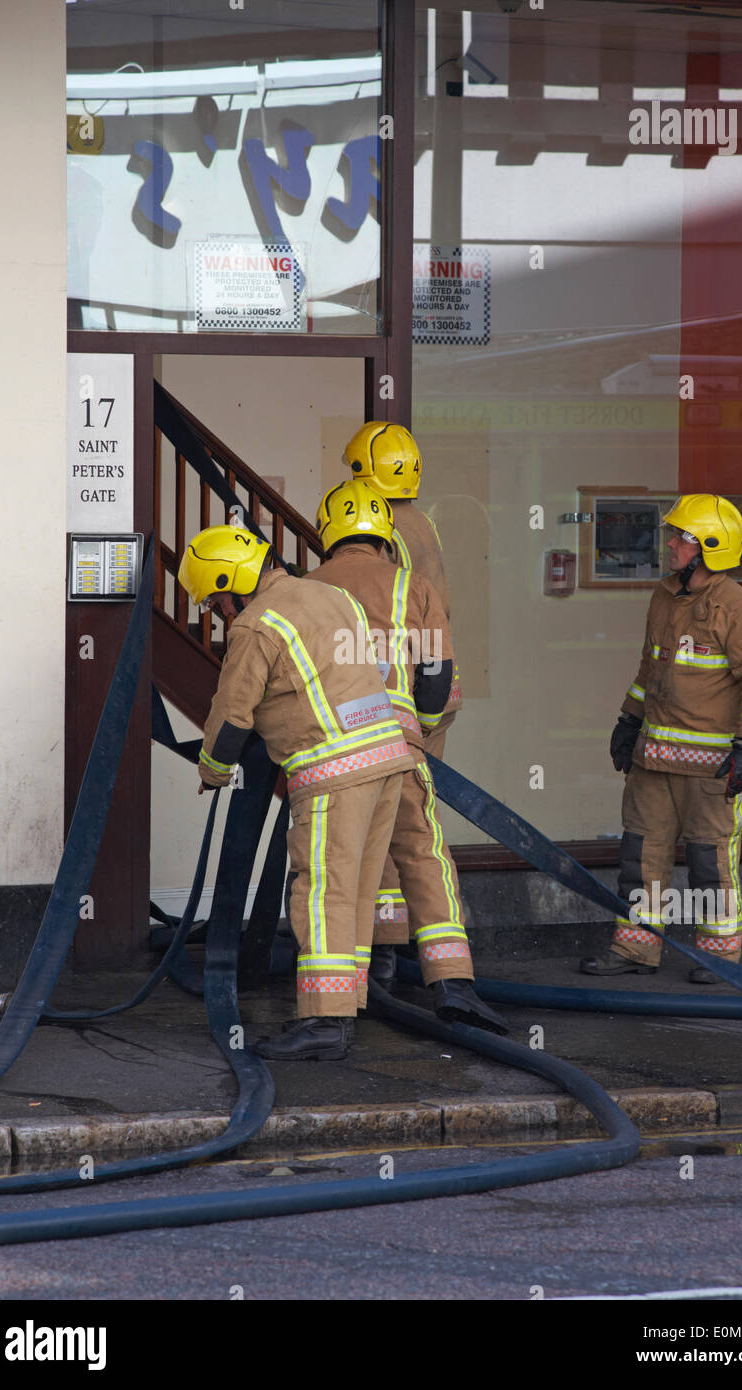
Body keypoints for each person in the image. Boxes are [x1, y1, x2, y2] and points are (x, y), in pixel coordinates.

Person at [178, 524, 414, 1060]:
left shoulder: (257, 626)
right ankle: (346, 1006)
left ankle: (325, 1024)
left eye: (215, 600)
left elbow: (232, 715)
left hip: (333, 770)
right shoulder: (330, 595)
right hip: (386, 760)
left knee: (322, 891)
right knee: (353, 891)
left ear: (231, 581)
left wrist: (213, 770)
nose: (218, 612)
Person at [306, 479, 508, 1034]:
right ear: (383, 533)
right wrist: (415, 727)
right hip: (400, 745)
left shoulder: (308, 588)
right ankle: (452, 982)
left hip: (333, 752)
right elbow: (438, 677)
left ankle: (339, 1001)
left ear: (329, 531)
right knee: (422, 852)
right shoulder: (411, 587)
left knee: (336, 870)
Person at [580, 495, 742, 983]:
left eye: (682, 538)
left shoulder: (736, 608)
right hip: (654, 761)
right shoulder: (664, 596)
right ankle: (635, 948)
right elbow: (651, 669)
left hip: (711, 769)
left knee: (709, 865)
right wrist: (629, 720)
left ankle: (717, 957)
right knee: (640, 856)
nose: (670, 544)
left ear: (709, 547)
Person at [342, 422, 462, 988]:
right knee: (417, 820)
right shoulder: (427, 524)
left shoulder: (387, 531)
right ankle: (427, 957)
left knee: (393, 819)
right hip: (433, 686)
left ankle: (384, 952)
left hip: (405, 693)